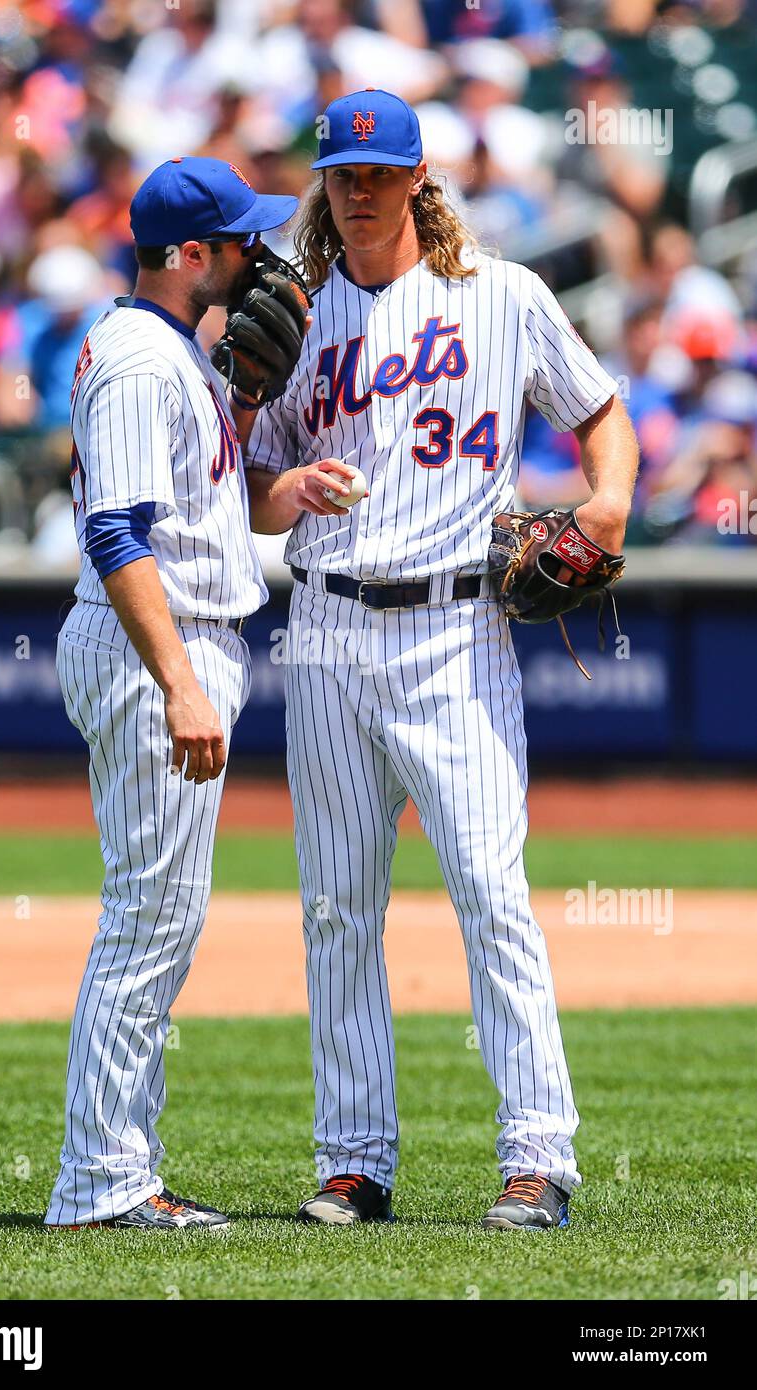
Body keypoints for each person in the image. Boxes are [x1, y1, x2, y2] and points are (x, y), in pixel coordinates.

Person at [243, 90, 638, 1231]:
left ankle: (536, 1157)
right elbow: (254, 497)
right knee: (335, 907)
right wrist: (287, 489)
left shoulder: (502, 297)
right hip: (321, 628)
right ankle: (353, 1161)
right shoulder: (294, 315)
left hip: (450, 630)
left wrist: (605, 507)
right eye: (341, 174)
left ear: (418, 178)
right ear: (322, 184)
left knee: (489, 893)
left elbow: (600, 412)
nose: (358, 191)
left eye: (378, 172)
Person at [44, 157, 297, 1231]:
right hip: (159, 645)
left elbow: (198, 509)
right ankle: (101, 1182)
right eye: (237, 241)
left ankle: (118, 1170)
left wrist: (280, 472)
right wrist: (181, 682)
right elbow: (114, 535)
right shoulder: (144, 364)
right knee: (149, 920)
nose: (256, 259)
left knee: (158, 918)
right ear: (188, 254)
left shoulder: (168, 352)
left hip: (174, 638)